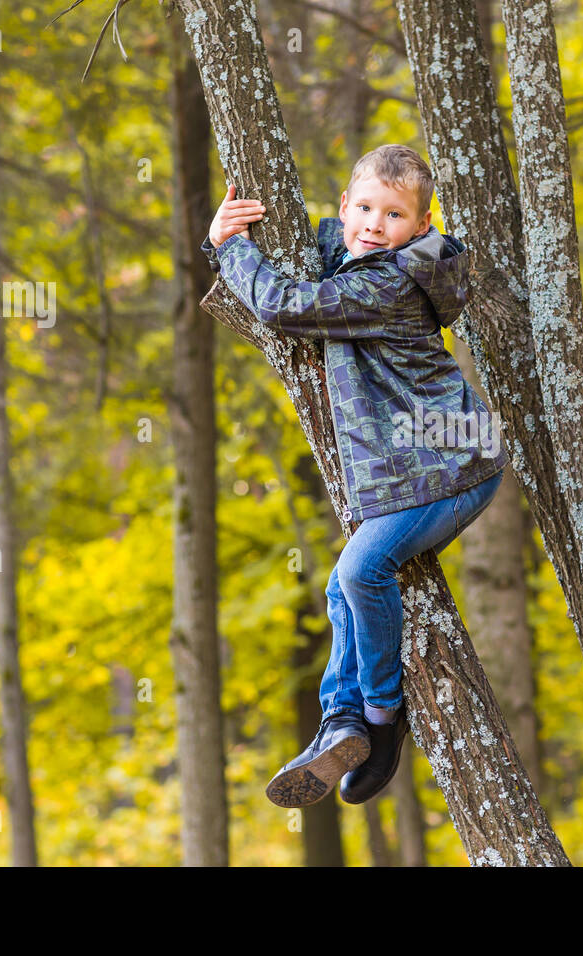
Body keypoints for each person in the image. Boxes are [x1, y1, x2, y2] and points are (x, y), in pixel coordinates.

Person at [202, 144, 509, 808]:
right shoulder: (363, 254)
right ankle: (340, 721)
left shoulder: (389, 282)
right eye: (364, 208)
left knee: (359, 573)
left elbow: (284, 305)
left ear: (421, 228)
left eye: (394, 215)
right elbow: (321, 239)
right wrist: (239, 229)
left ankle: (380, 718)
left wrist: (228, 249)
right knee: (344, 593)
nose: (375, 223)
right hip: (420, 473)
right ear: (344, 208)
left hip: (458, 466)